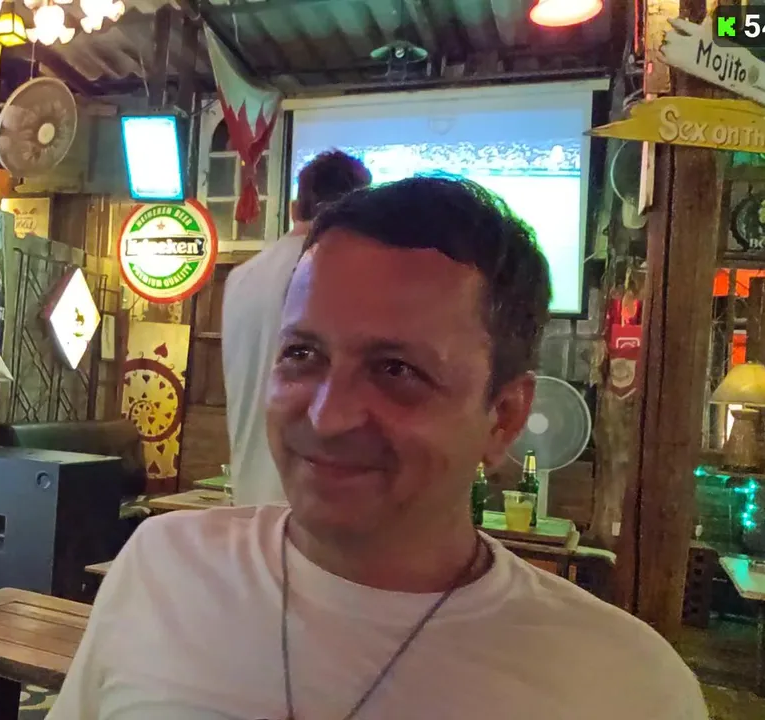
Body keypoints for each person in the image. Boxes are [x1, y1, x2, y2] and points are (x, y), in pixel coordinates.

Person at [49, 177, 709, 719]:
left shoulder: (624, 686)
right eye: (302, 354)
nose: (328, 415)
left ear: (504, 418)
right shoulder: (163, 568)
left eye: (396, 370)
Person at [222, 149, 370, 506]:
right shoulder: (345, 274)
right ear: (361, 210)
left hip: (248, 493)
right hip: (318, 499)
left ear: (293, 209)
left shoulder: (240, 277)